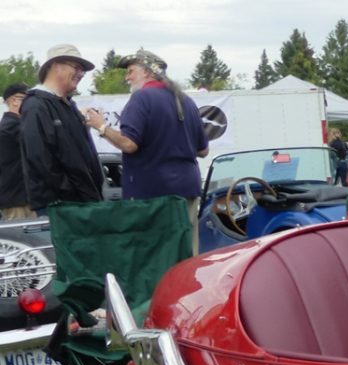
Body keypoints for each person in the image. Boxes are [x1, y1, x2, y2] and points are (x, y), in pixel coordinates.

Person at [83, 49, 209, 242]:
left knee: (157, 255)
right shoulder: (186, 101)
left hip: (153, 196)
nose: (127, 77)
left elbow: (129, 144)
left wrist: (101, 126)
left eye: (131, 71)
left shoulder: (142, 98)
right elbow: (203, 150)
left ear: (148, 72)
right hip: (187, 190)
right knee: (186, 250)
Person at [18, 44, 103, 215]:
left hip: (80, 202)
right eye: (77, 68)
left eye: (83, 71)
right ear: (56, 66)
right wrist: (71, 195)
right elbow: (41, 159)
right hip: (60, 205)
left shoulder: (67, 104)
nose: (81, 74)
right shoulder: (36, 105)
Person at [0, 82, 32, 220]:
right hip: (17, 200)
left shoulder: (10, 125)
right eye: (28, 100)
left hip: (18, 197)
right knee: (23, 239)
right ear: (14, 100)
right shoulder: (12, 126)